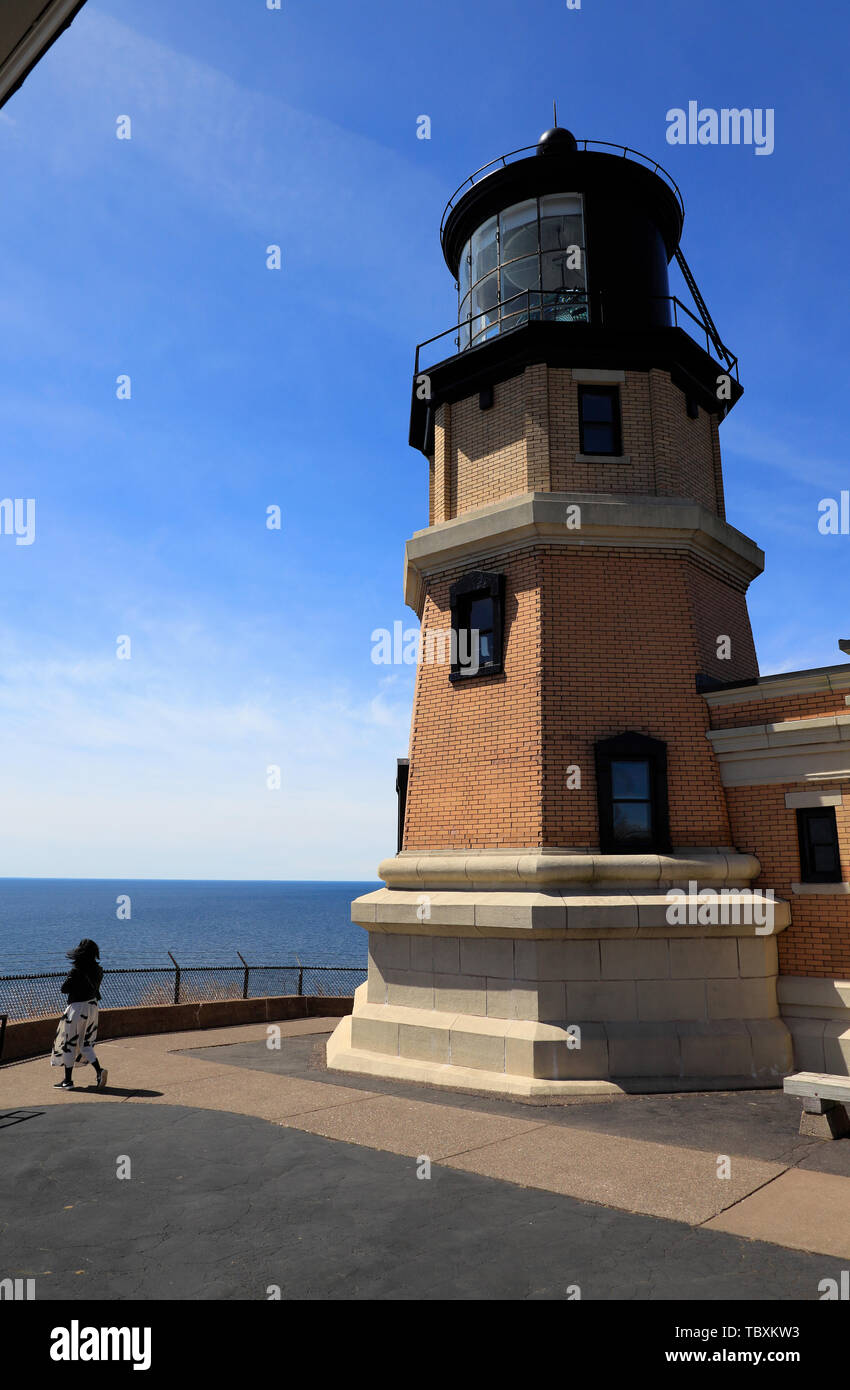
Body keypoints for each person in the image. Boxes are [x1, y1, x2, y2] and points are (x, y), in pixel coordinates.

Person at [50, 939, 108, 1091]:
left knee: (69, 1043)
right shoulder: (98, 970)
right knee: (85, 1043)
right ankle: (99, 1071)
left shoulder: (77, 970)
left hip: (77, 1008)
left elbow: (64, 989)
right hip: (92, 1007)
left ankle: (68, 1081)